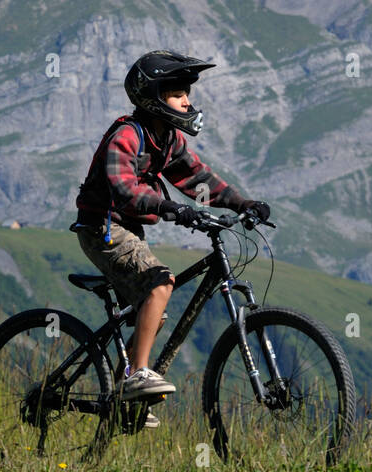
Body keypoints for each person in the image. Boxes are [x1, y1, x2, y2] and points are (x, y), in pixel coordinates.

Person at [72, 51, 269, 420]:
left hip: (129, 228)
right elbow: (124, 189)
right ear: (154, 97)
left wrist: (242, 203)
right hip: (103, 227)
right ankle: (136, 377)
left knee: (155, 310)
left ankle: (123, 398)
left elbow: (198, 180)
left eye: (186, 94)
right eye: (178, 94)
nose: (187, 102)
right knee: (161, 284)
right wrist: (169, 207)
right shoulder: (127, 135)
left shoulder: (168, 139)